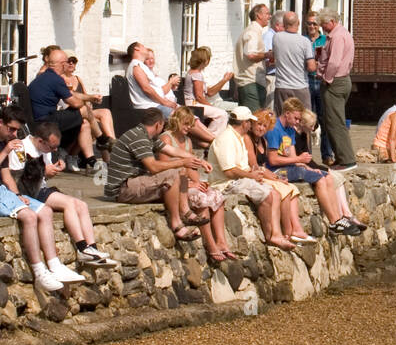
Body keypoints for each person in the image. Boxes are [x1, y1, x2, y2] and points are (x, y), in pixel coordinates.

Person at [0, 105, 86, 292]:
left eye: (16, 130)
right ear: (0, 123)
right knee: (28, 216)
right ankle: (39, 272)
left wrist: (18, 195)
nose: (13, 134)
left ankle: (54, 265)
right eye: (10, 129)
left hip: (0, 191)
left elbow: (6, 177)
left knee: (45, 210)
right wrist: (5, 152)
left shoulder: (3, 141)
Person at [4, 108, 117, 267]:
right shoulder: (20, 148)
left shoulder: (45, 149)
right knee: (69, 204)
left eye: (56, 147)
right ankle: (82, 249)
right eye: (52, 147)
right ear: (40, 141)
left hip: (41, 187)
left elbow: (45, 172)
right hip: (29, 191)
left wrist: (54, 167)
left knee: (82, 205)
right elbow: (15, 177)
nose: (54, 150)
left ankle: (93, 248)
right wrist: (44, 171)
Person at [265, 98, 361, 235]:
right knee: (320, 179)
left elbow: (293, 159)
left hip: (289, 167)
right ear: (287, 113)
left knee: (327, 177)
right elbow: (273, 160)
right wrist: (299, 160)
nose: (297, 122)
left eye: (299, 119)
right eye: (296, 118)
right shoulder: (275, 129)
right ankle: (334, 222)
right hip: (275, 170)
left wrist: (308, 167)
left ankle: (339, 218)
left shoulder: (290, 130)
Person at [103, 107, 198, 242]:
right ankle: (177, 224)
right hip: (122, 189)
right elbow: (153, 167)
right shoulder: (138, 137)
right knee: (173, 173)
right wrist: (182, 162)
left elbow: (172, 151)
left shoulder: (147, 136)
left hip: (134, 183)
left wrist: (197, 161)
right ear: (158, 124)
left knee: (179, 169)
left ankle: (185, 210)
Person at [207, 107, 294, 250]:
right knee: (266, 195)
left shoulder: (237, 137)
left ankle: (277, 234)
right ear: (244, 123)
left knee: (275, 194)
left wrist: (256, 174)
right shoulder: (227, 138)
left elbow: (242, 167)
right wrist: (251, 175)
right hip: (226, 184)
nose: (251, 125)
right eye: (250, 122)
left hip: (237, 179)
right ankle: (270, 235)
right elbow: (229, 171)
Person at [157, 107, 237, 264]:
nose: (188, 128)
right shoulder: (166, 139)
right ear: (177, 122)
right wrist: (192, 183)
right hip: (173, 184)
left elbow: (191, 167)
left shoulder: (187, 141)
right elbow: (164, 168)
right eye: (185, 124)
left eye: (190, 125)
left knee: (216, 196)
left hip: (186, 181)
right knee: (201, 199)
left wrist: (198, 182)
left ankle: (221, 240)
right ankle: (211, 244)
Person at [248, 110, 314, 243]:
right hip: (254, 174)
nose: (261, 128)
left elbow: (264, 165)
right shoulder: (248, 139)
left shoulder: (263, 141)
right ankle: (288, 232)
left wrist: (277, 177)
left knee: (292, 189)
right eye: (259, 124)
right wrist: (274, 178)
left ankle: (295, 228)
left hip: (264, 172)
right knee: (283, 190)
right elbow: (255, 166)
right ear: (252, 124)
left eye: (264, 126)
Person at [27, 47, 98, 169]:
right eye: (67, 62)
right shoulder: (55, 78)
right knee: (84, 111)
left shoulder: (47, 77)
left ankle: (90, 159)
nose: (69, 65)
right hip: (45, 120)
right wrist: (85, 101)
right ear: (62, 64)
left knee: (84, 123)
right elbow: (75, 103)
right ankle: (101, 140)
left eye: (73, 62)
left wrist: (89, 98)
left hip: (42, 117)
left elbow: (72, 96)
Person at [317, 8, 356, 171]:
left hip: (336, 82)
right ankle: (342, 158)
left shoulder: (337, 36)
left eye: (323, 24)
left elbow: (334, 62)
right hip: (341, 80)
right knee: (333, 120)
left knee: (335, 121)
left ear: (331, 22)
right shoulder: (342, 34)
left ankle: (346, 160)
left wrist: (326, 78)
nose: (322, 27)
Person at [61, 53, 114, 153]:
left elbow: (86, 95)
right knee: (97, 126)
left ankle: (112, 142)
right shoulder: (60, 79)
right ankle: (108, 148)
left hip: (84, 110)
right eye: (69, 61)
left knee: (105, 112)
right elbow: (68, 99)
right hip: (69, 111)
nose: (71, 63)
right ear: (63, 63)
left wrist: (93, 99)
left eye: (74, 61)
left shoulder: (77, 78)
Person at [182, 46, 231, 139]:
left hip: (192, 102)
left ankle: (210, 136)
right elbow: (199, 97)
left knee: (220, 113)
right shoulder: (197, 74)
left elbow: (207, 92)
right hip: (193, 104)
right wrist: (211, 106)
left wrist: (224, 80)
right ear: (205, 61)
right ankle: (212, 138)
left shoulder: (192, 72)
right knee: (222, 114)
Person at [271, 12, 316, 112]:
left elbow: (274, 57)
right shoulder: (305, 41)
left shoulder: (277, 37)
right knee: (303, 120)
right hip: (300, 86)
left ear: (284, 23)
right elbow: (311, 67)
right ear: (298, 22)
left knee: (282, 119)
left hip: (282, 86)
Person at [125, 42, 180, 120]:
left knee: (190, 117)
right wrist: (164, 102)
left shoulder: (140, 66)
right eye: (143, 46)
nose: (146, 48)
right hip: (148, 107)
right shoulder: (136, 66)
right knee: (184, 118)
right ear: (136, 49)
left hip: (155, 104)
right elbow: (147, 89)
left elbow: (155, 90)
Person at [233, 5, 270, 112]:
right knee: (253, 120)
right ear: (258, 15)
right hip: (251, 83)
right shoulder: (253, 32)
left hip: (248, 82)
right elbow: (251, 55)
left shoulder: (251, 31)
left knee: (248, 119)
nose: (269, 16)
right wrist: (268, 55)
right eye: (267, 13)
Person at [262, 11, 287, 110]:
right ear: (277, 26)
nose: (287, 29)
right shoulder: (269, 37)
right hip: (271, 78)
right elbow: (267, 60)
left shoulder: (276, 37)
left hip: (277, 77)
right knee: (270, 109)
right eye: (285, 26)